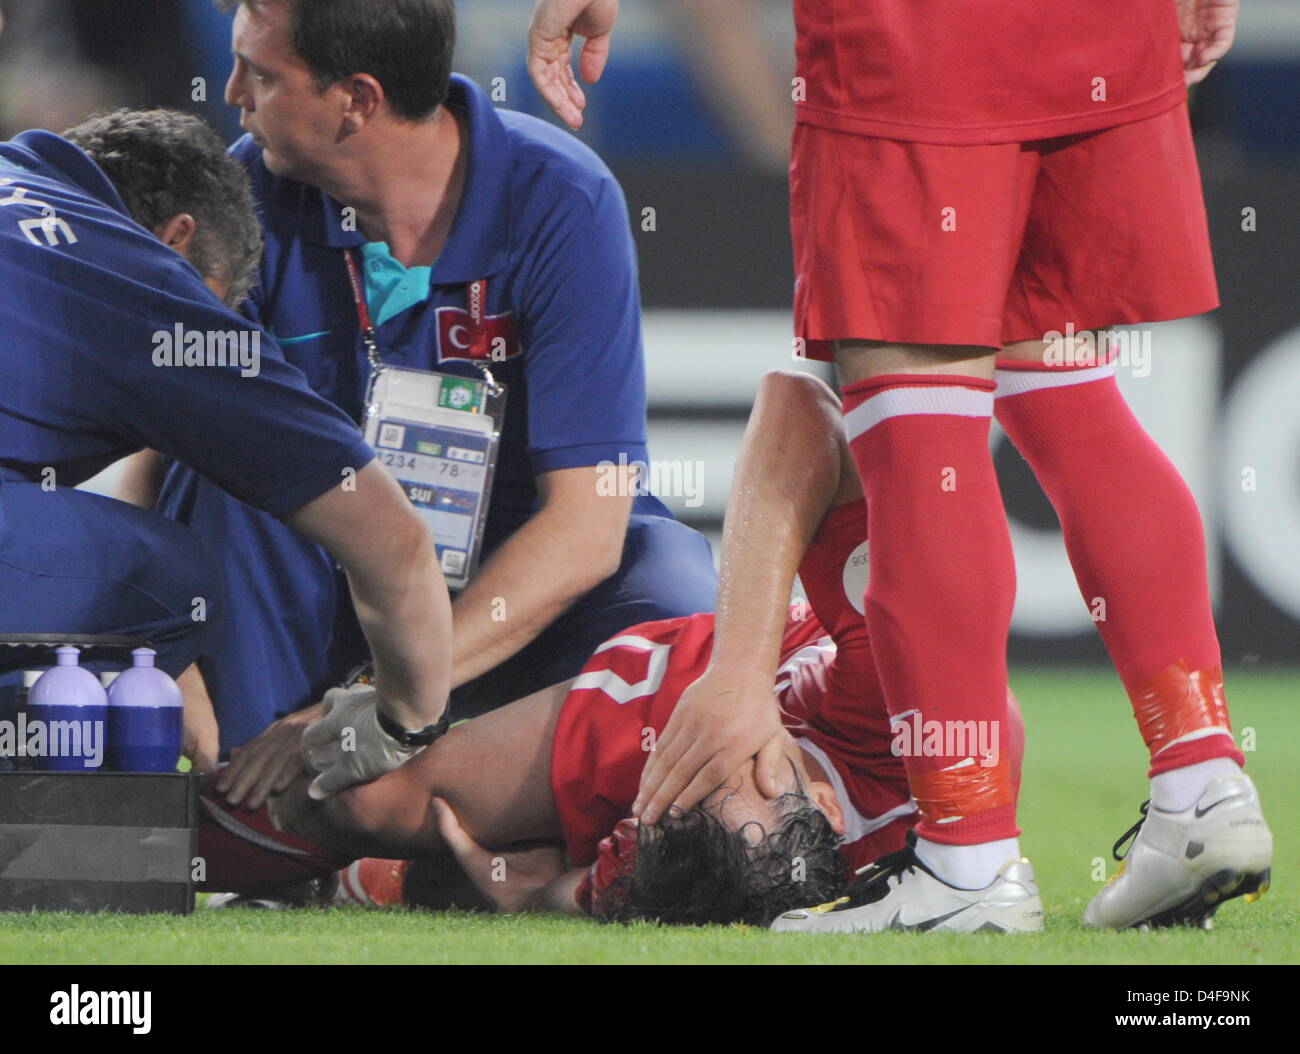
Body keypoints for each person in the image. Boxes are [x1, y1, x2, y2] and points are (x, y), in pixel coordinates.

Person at [526, 0, 1273, 932]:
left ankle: (969, 863)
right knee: (1070, 390)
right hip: (1105, 29)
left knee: (922, 435)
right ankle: (1201, 783)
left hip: (923, 41)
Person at [195, 370, 1039, 930]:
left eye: (677, 799)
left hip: (676, 837)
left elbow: (602, 892)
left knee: (398, 829)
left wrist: (526, 891)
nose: (689, 772)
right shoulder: (908, 716)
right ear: (811, 802)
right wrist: (741, 680)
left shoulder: (720, 860)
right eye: (715, 776)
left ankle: (387, 877)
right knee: (360, 795)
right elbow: (796, 403)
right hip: (670, 688)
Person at [121, 0, 717, 775]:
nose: (231, 92)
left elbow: (586, 525)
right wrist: (162, 650)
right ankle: (266, 821)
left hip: (509, 586)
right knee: (228, 481)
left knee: (675, 594)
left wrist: (390, 693)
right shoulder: (248, 194)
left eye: (261, 74)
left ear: (358, 101)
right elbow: (162, 448)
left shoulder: (563, 199)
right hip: (337, 575)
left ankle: (500, 819)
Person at [0, 108, 451, 797]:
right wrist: (402, 724)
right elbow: (394, 541)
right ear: (176, 240)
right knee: (170, 579)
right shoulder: (150, 285)